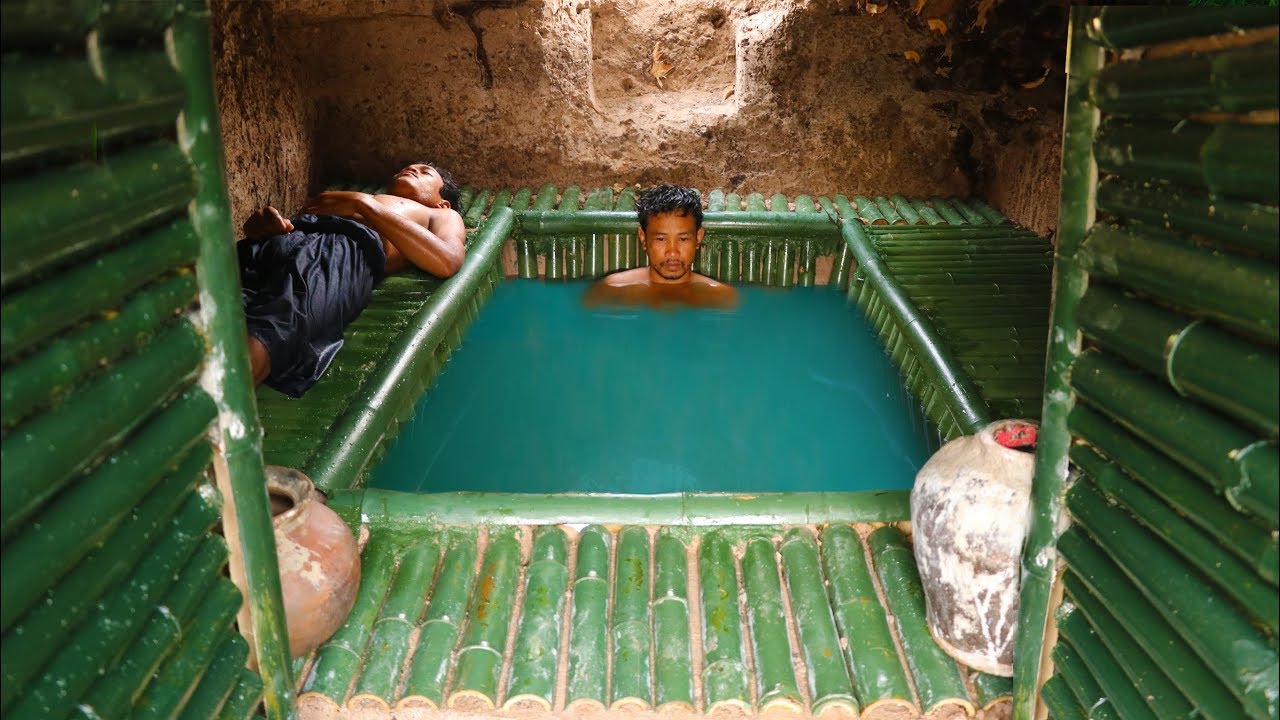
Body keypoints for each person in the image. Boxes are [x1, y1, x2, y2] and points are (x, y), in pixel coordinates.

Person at [238, 162, 466, 397]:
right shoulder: (367, 198)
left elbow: (447, 260)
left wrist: (363, 204)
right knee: (213, 298)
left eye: (425, 172)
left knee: (277, 323)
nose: (412, 170)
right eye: (409, 168)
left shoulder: (440, 213)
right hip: (283, 239)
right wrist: (264, 227)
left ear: (442, 201)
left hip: (340, 251)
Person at [585, 183, 738, 309]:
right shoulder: (612, 290)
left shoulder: (721, 298)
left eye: (683, 239)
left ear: (698, 238)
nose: (672, 253)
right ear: (643, 239)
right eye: (661, 239)